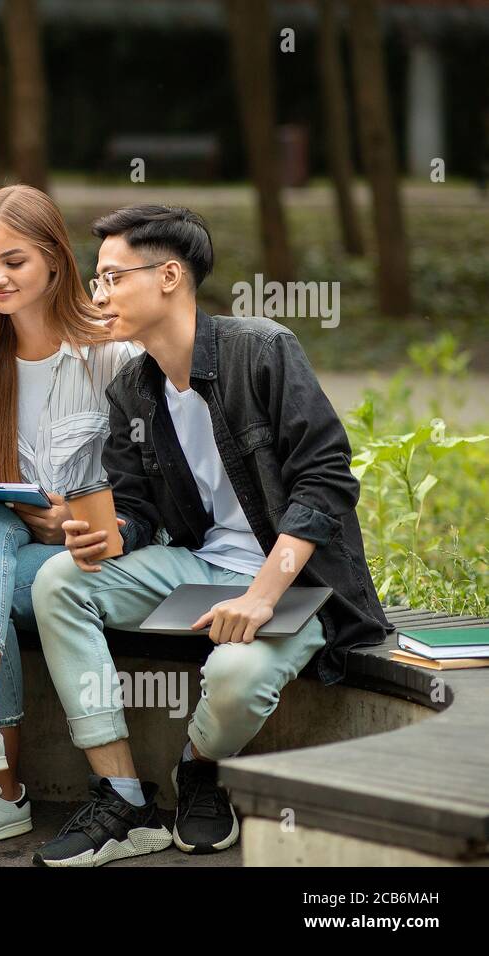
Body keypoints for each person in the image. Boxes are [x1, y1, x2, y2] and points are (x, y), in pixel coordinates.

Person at [30, 204, 390, 867]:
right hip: (201, 568)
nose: (97, 294)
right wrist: (110, 535)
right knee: (59, 581)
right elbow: (136, 507)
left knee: (233, 676)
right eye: (96, 279)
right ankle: (122, 797)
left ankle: (199, 766)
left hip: (297, 584)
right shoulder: (133, 390)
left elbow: (325, 481)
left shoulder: (262, 351)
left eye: (112, 277)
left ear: (169, 276)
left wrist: (262, 595)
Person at [0, 184, 140, 854]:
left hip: (96, 559)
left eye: (13, 262)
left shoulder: (113, 355)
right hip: (17, 555)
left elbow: (149, 497)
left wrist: (68, 518)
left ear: (54, 261)